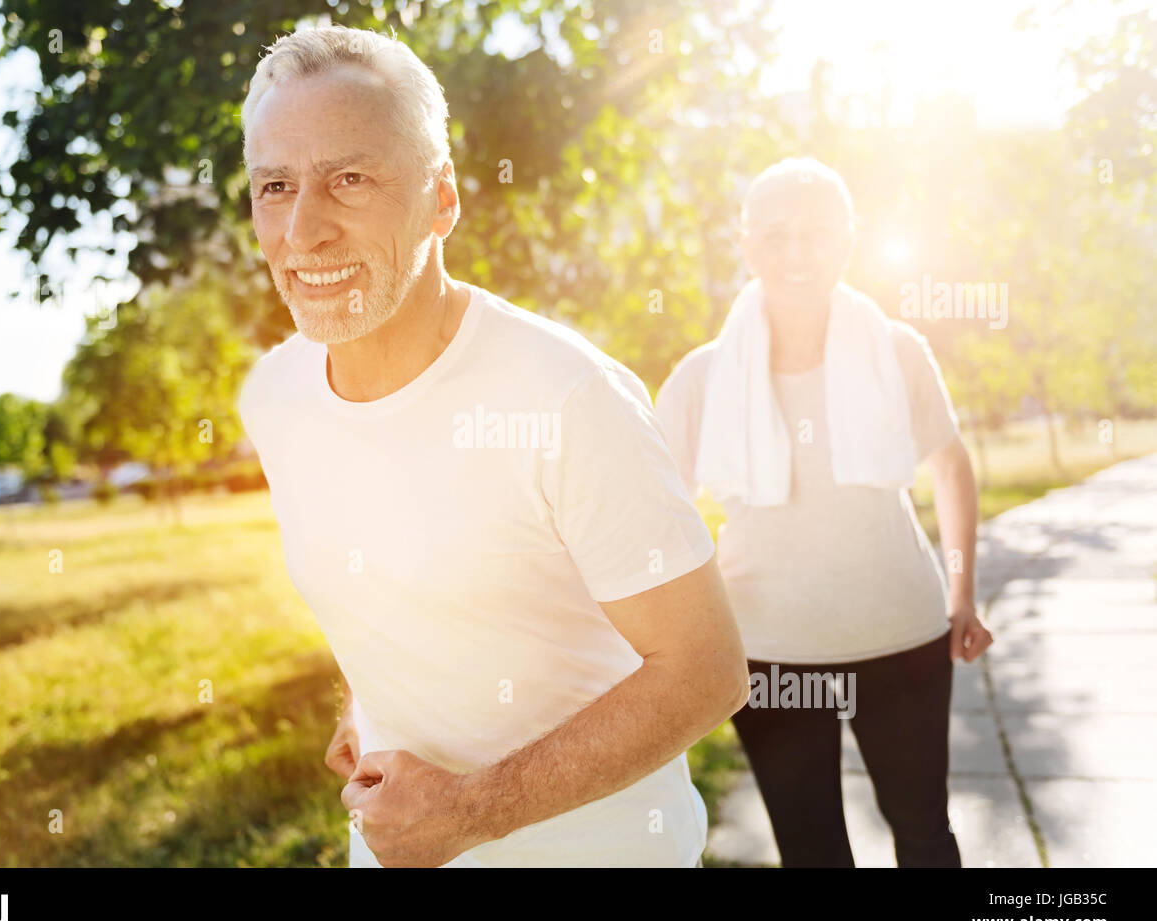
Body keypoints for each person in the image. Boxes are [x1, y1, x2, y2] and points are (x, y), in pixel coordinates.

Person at [237, 25, 749, 868]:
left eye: (350, 179)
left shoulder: (569, 397)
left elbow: (708, 670)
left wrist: (474, 809)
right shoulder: (275, 398)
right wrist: (364, 695)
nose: (303, 230)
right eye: (275, 185)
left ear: (442, 198)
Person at [655, 157, 993, 867]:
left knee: (924, 832)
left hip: (901, 637)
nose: (797, 253)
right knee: (811, 851)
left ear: (848, 239)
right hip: (771, 654)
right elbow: (655, 520)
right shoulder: (702, 378)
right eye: (775, 236)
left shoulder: (898, 351)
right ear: (746, 245)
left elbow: (952, 466)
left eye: (816, 233)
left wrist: (963, 594)